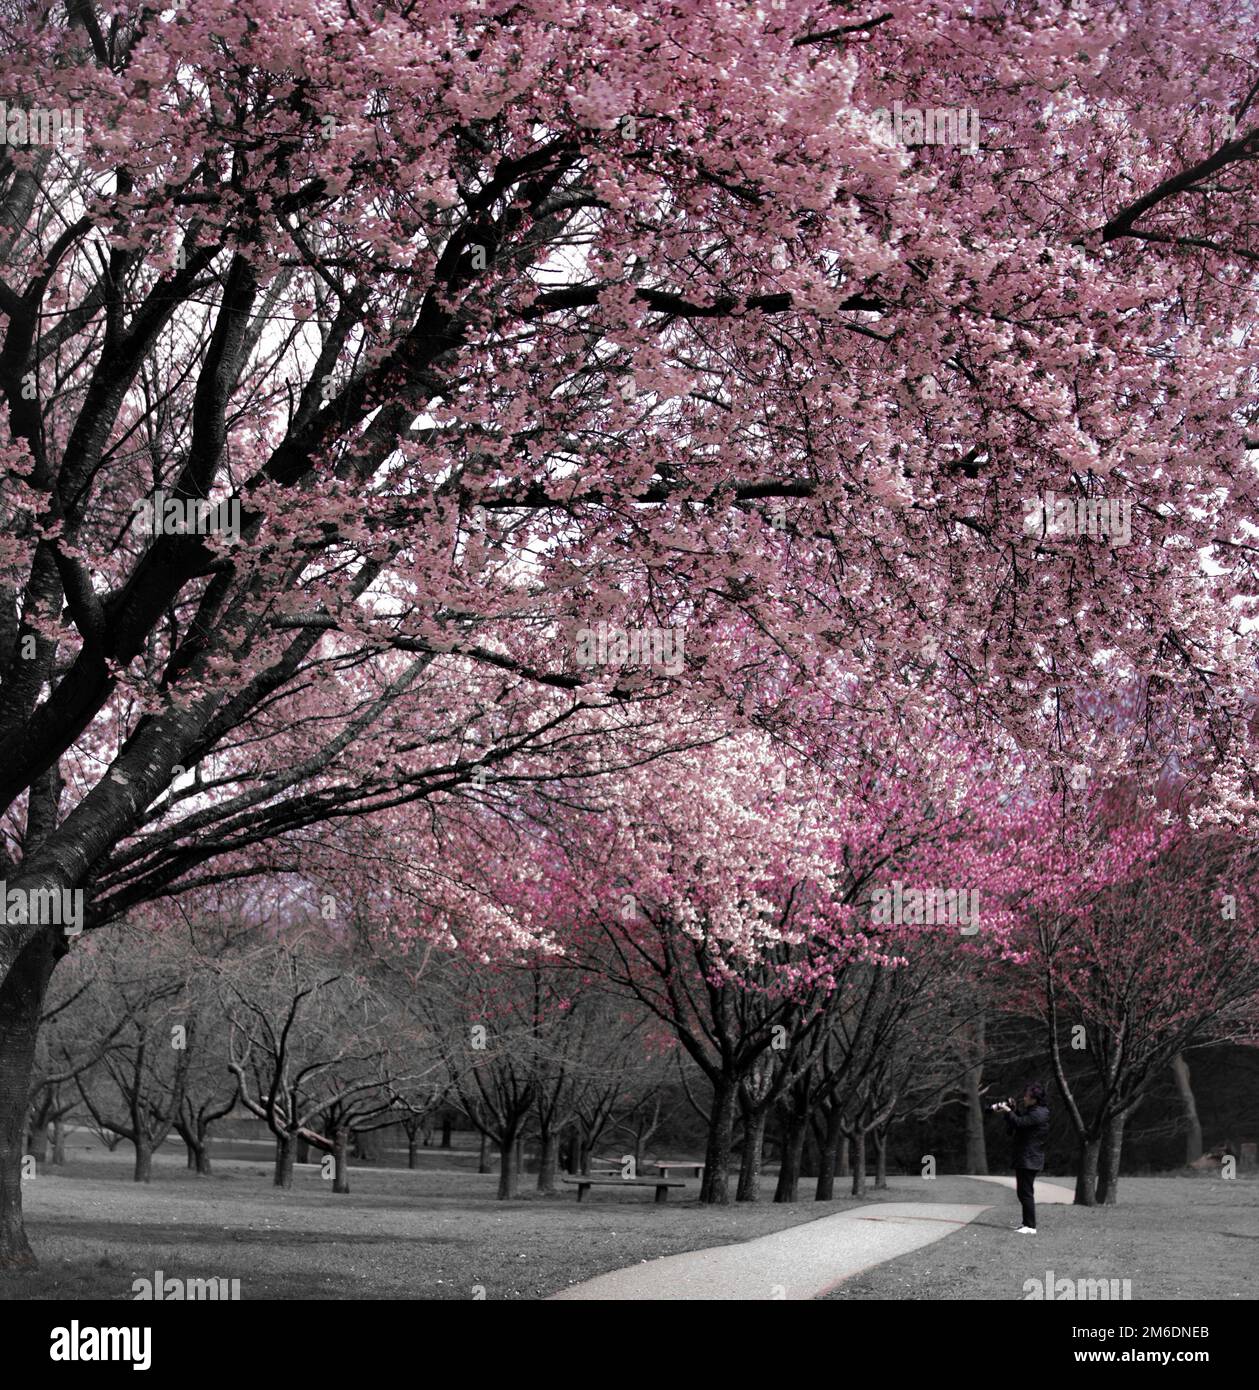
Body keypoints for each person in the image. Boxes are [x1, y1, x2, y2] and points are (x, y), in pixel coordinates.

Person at [992, 1082, 1050, 1234]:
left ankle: (1030, 1227)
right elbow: (1018, 1124)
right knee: (1022, 1192)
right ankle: (1026, 1224)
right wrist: (1011, 1111)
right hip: (1026, 1157)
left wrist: (1007, 1111)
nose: (1024, 1098)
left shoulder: (1039, 1113)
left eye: (1027, 1096)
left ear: (1034, 1099)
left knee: (1026, 1192)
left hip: (1030, 1158)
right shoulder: (1034, 1111)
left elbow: (1019, 1123)